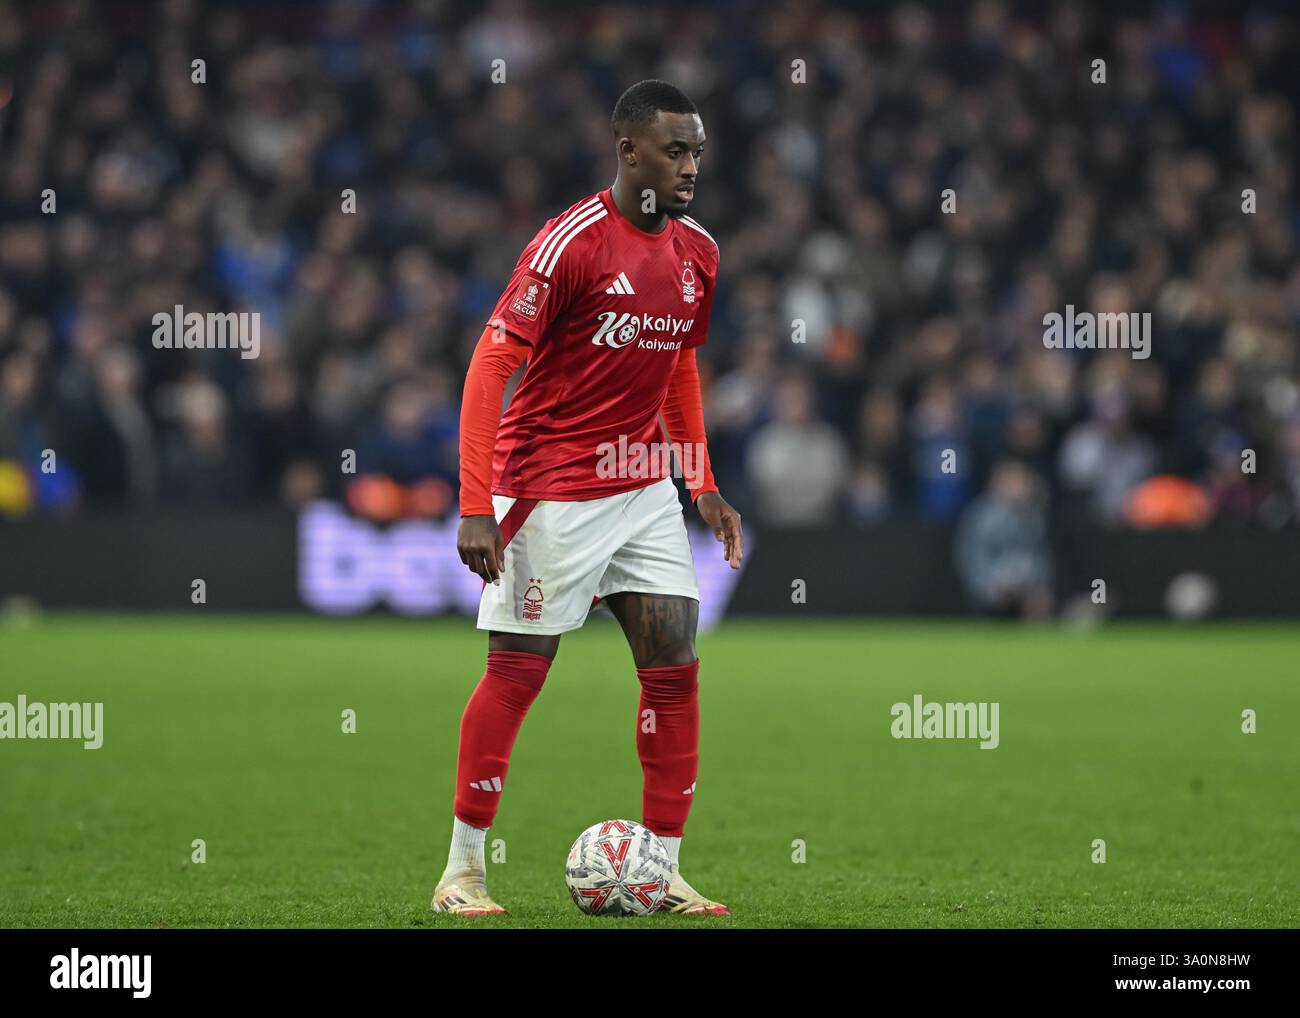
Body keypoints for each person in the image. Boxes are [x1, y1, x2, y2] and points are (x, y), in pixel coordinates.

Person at [434, 80, 743, 917]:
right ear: (628, 151)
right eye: (676, 151)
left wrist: (700, 481)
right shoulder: (568, 244)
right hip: (550, 485)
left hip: (642, 483)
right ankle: (462, 871)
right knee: (518, 674)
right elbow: (490, 366)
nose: (690, 167)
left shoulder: (698, 252)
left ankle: (663, 868)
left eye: (698, 152)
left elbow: (677, 361)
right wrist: (475, 503)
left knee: (675, 663)